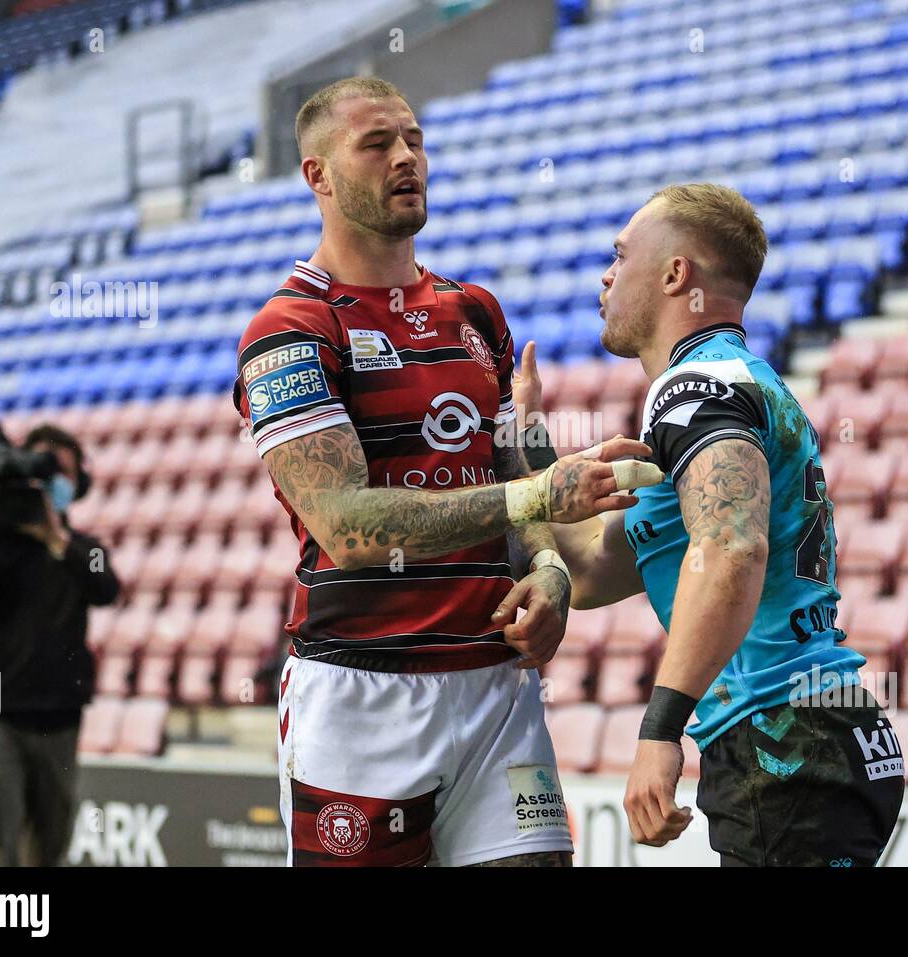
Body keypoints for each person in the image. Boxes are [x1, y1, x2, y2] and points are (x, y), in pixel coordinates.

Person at [232, 77, 661, 867]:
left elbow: (510, 479)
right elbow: (349, 524)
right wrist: (535, 492)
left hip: (496, 686)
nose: (407, 157)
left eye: (415, 140)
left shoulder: (476, 312)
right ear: (317, 175)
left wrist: (547, 570)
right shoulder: (289, 328)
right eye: (377, 144)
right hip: (364, 697)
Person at [517, 183, 906, 866]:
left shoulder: (695, 386)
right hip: (816, 730)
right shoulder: (735, 381)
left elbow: (731, 547)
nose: (607, 275)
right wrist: (528, 439)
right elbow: (587, 571)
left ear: (675, 275)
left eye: (620, 255)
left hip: (783, 734)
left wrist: (660, 728)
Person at [0, 423, 120, 866]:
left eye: (62, 470)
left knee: (50, 841)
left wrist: (56, 538)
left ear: (78, 483)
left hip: (58, 712)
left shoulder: (85, 548)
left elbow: (106, 587)